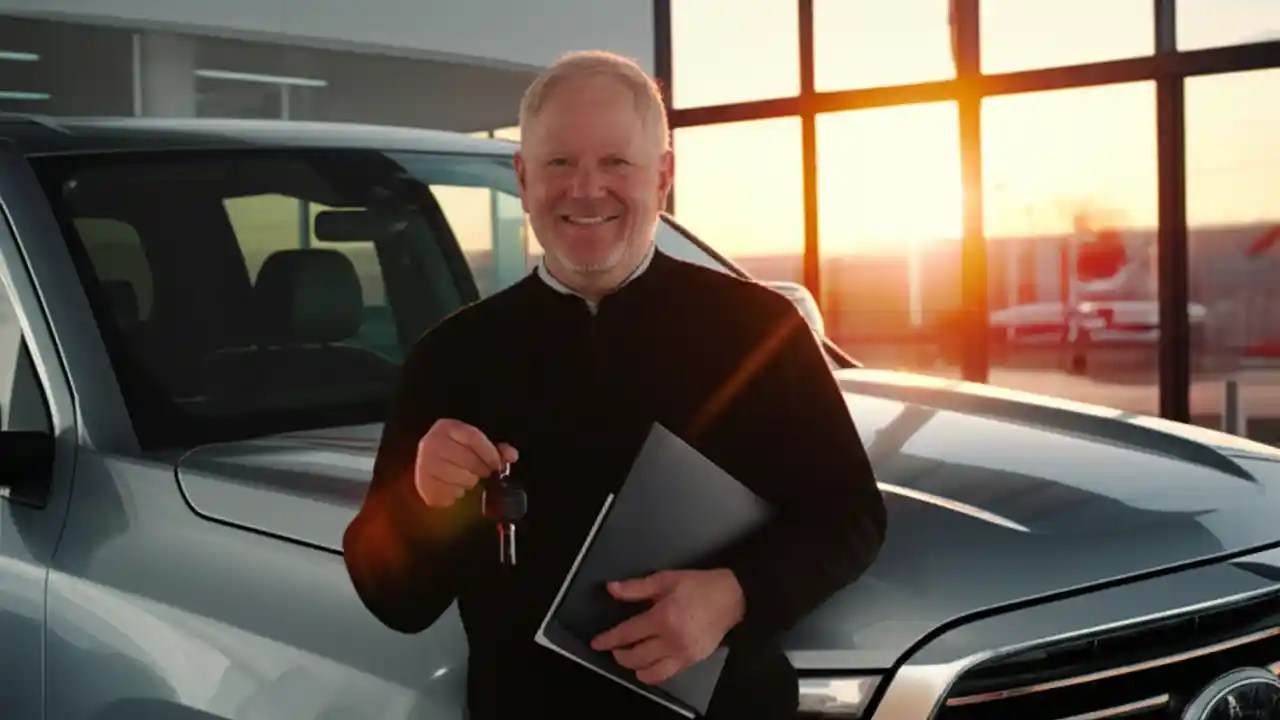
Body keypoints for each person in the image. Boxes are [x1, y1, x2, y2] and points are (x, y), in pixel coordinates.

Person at [342, 50, 887, 719]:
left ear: (663, 177)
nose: (586, 189)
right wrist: (422, 503)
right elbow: (393, 600)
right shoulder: (451, 358)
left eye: (616, 163)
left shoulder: (759, 332)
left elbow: (851, 515)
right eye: (559, 163)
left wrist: (737, 593)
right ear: (523, 177)